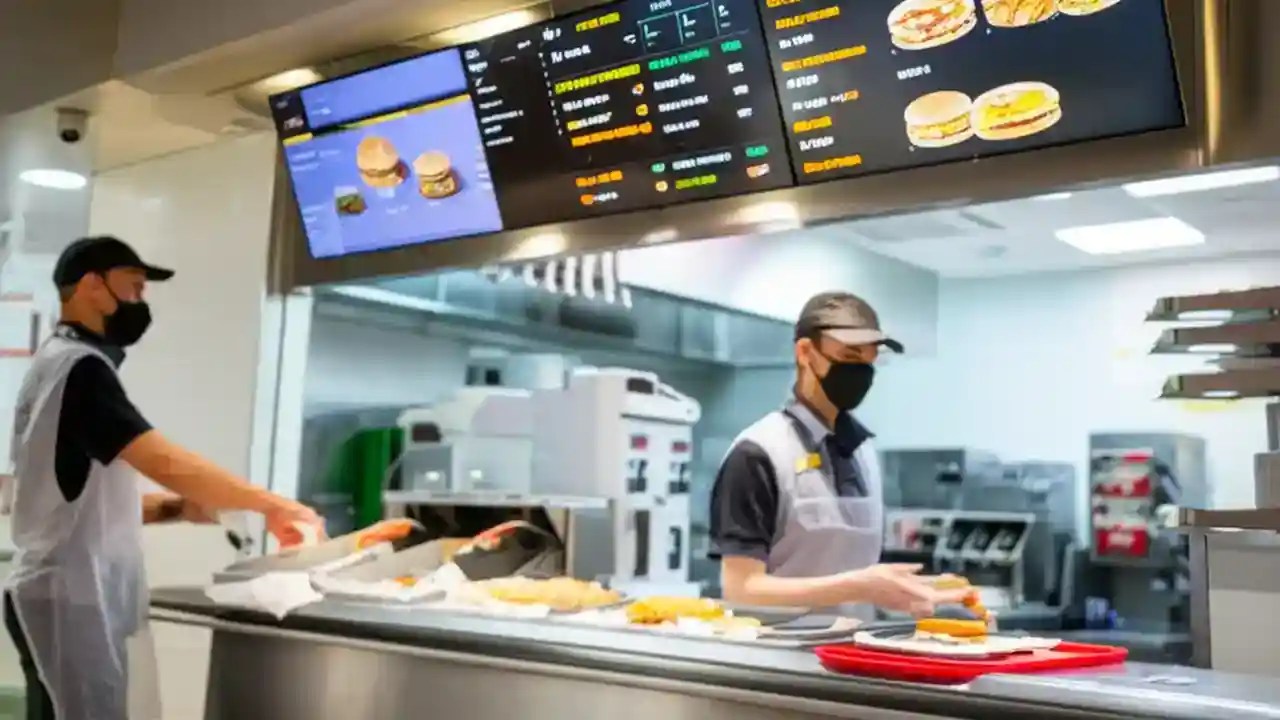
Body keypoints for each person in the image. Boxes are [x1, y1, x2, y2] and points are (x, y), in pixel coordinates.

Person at [4, 236, 325, 720]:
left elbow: (75, 501)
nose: (141, 300)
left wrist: (178, 508)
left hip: (60, 592)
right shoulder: (80, 370)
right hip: (69, 598)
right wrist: (276, 505)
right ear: (92, 286)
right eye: (133, 286)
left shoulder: (56, 363)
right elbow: (166, 462)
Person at [709, 291, 967, 620]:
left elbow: (855, 573)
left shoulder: (864, 453)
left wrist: (924, 590)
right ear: (805, 352)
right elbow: (741, 589)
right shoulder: (758, 453)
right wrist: (861, 586)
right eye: (849, 356)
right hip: (779, 648)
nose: (860, 372)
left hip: (853, 646)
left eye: (869, 361)